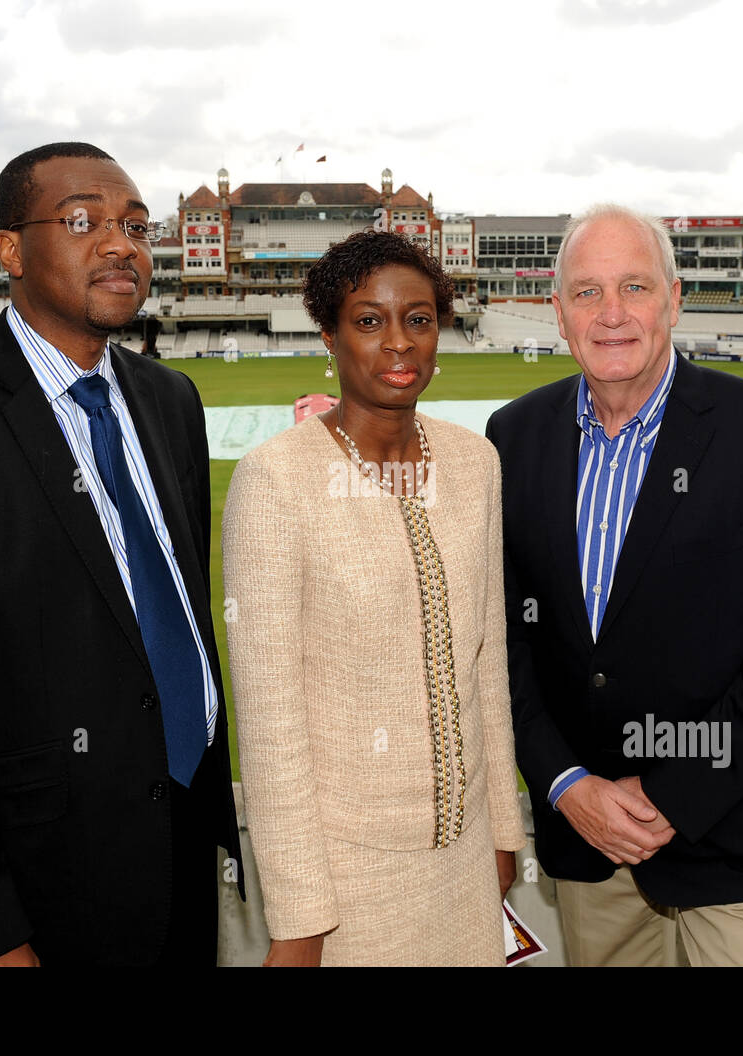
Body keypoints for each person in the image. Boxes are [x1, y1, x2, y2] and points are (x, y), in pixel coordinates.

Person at [0, 142, 242, 966]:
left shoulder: (171, 401)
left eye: (136, 225)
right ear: (9, 250)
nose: (120, 244)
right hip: (44, 893)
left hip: (182, 848)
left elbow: (168, 614)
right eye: (82, 221)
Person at [486, 204, 743, 967]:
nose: (611, 315)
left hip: (739, 839)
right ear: (557, 310)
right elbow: (504, 643)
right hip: (588, 848)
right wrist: (565, 782)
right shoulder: (513, 437)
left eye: (635, 287)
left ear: (674, 300)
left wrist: (672, 796)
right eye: (587, 293)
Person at [222, 230, 526, 966]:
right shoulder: (275, 481)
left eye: (418, 320)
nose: (398, 343)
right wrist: (297, 916)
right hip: (346, 880)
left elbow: (487, 661)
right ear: (328, 333)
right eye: (369, 320)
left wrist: (504, 834)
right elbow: (269, 722)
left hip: (465, 862)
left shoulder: (474, 461)